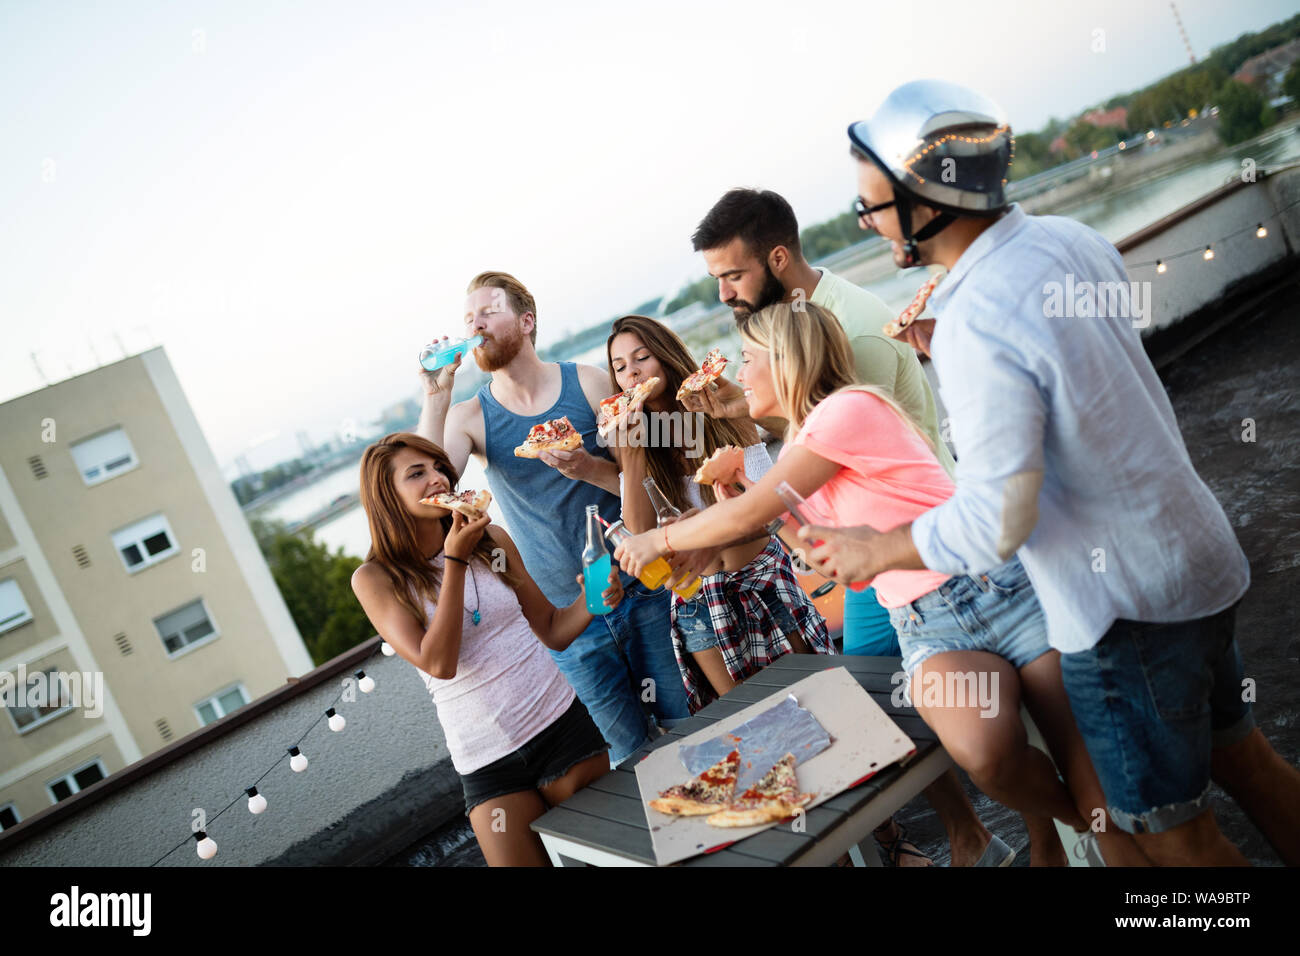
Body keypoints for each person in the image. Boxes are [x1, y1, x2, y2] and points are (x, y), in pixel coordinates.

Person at [799, 78, 1300, 865]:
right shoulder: (1071, 241)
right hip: (1194, 563)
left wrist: (876, 550)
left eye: (874, 205)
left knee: (1179, 846)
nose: (868, 221)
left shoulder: (973, 318)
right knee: (1254, 769)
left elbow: (999, 519)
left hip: (1123, 613)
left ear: (928, 196)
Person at [615, 302, 1118, 866]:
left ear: (786, 362)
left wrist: (658, 542)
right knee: (985, 754)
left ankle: (1102, 837)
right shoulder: (806, 437)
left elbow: (754, 508)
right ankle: (1084, 826)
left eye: (748, 359)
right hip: (924, 620)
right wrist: (745, 495)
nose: (738, 372)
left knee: (1092, 774)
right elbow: (820, 555)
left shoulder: (849, 408)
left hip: (994, 587)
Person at [416, 271, 689, 766]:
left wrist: (586, 466)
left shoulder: (588, 382)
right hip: (569, 618)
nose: (474, 323)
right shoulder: (467, 417)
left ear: (526, 321)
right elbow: (425, 497)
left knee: (688, 723)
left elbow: (639, 476)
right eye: (467, 317)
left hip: (643, 587)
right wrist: (435, 399)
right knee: (631, 757)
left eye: (487, 311)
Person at [687, 188, 953, 661]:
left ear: (779, 258)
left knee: (871, 684)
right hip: (864, 536)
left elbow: (832, 446)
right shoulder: (801, 318)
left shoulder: (854, 330)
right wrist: (744, 408)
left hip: (912, 538)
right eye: (716, 278)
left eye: (732, 275)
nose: (724, 294)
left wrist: (672, 538)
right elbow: (818, 428)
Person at [350, 433, 622, 866]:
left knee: (607, 861)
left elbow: (552, 629)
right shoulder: (377, 579)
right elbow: (438, 662)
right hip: (486, 760)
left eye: (439, 467)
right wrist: (454, 560)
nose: (437, 478)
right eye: (416, 474)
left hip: (561, 726)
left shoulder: (492, 541)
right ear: (387, 496)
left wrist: (594, 596)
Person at [600, 314, 834, 711]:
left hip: (761, 578)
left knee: (820, 699)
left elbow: (765, 507)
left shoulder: (718, 408)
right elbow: (641, 539)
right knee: (746, 720)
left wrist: (701, 535)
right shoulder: (633, 440)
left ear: (666, 356)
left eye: (642, 358)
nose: (632, 374)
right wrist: (633, 452)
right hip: (698, 601)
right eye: (620, 367)